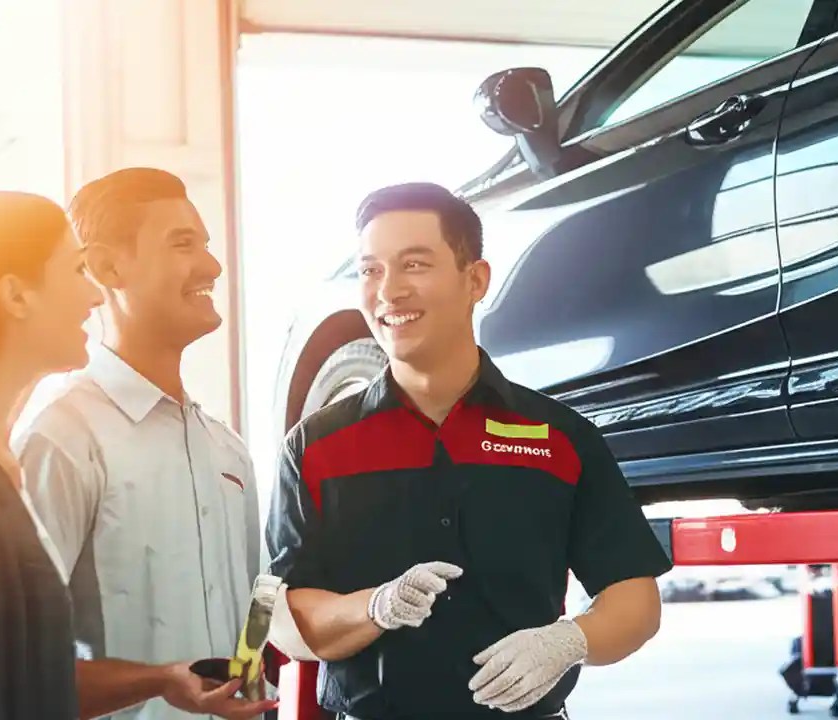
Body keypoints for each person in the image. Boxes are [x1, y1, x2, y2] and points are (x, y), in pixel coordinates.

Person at [0, 190, 276, 719]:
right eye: (76, 270)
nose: (93, 297)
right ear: (16, 296)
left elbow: (28, 680)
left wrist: (162, 679)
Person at [266, 182, 672, 719]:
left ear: (475, 279)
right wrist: (375, 607)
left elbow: (636, 600)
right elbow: (276, 618)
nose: (388, 291)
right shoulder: (316, 447)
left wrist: (569, 641)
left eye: (414, 264)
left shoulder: (559, 439)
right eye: (371, 270)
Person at [14, 167, 290, 719]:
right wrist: (158, 683)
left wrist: (251, 686)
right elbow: (18, 664)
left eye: (207, 245)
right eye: (183, 243)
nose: (212, 266)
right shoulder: (62, 437)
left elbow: (259, 603)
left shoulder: (227, 449)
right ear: (106, 267)